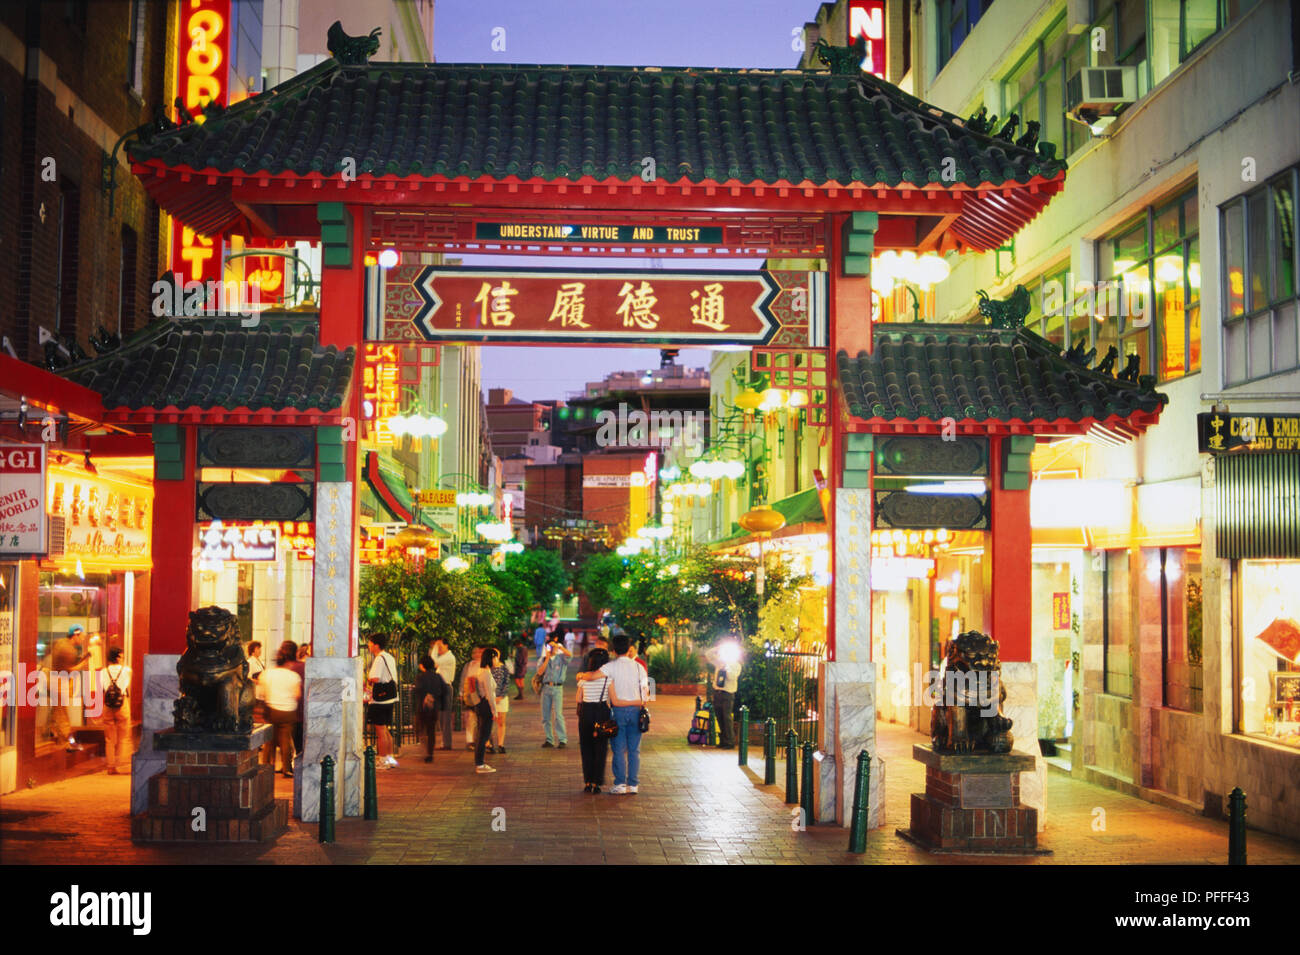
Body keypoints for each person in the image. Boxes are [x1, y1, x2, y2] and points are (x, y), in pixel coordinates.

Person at [576, 633, 648, 794]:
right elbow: (647, 693)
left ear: (613, 650)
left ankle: (621, 784)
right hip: (636, 711)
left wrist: (580, 675)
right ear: (630, 649)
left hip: (618, 712)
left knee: (618, 749)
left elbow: (592, 676)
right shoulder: (639, 667)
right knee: (634, 749)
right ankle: (633, 784)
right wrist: (638, 702)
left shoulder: (610, 667)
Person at [259, 643, 302, 776]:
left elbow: (262, 693)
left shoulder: (266, 674)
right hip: (288, 712)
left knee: (269, 741)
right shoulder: (293, 676)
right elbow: (297, 695)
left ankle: (266, 766)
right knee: (286, 741)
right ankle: (287, 768)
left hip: (271, 711)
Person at [577, 647, 612, 793]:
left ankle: (588, 782)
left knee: (586, 748)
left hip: (586, 712)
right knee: (600, 747)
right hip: (602, 712)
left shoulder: (584, 678)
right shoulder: (607, 679)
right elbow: (611, 698)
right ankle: (597, 783)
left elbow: (578, 698)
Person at [366, 634, 400, 769]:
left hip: (380, 699)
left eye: (370, 643)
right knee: (385, 729)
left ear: (376, 645)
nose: (368, 645)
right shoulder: (389, 657)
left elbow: (374, 677)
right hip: (390, 697)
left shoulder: (379, 659)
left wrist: (368, 679)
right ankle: (390, 758)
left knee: (380, 731)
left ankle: (382, 760)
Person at [98, 647, 132, 774]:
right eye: (121, 656)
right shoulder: (127, 670)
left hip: (107, 705)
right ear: (118, 657)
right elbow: (126, 685)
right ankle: (121, 764)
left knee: (109, 738)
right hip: (122, 704)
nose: (122, 659)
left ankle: (110, 766)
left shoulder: (103, 672)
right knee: (123, 736)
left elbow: (103, 687)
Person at [537, 630, 572, 749]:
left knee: (558, 714)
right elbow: (540, 672)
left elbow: (570, 655)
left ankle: (562, 739)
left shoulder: (561, 658)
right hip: (546, 687)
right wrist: (547, 658)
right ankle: (549, 739)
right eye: (549, 646)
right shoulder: (543, 659)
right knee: (545, 716)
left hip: (557, 688)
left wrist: (560, 647)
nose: (552, 648)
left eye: (553, 647)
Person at [705, 641, 743, 749]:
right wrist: (718, 648)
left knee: (727, 717)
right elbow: (708, 655)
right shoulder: (719, 662)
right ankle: (722, 740)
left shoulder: (736, 665)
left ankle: (730, 742)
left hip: (728, 693)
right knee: (719, 716)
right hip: (718, 692)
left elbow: (732, 677)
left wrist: (727, 666)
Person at [469, 648, 500, 773]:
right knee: (483, 735)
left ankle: (480, 763)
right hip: (486, 705)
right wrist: (494, 710)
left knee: (482, 735)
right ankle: (480, 764)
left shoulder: (483, 671)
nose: (497, 660)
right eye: (496, 657)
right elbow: (489, 694)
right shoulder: (485, 673)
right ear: (491, 658)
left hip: (482, 705)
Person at [414, 655, 446, 763]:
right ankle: (430, 752)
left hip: (422, 707)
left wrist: (425, 697)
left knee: (421, 729)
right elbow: (444, 690)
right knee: (431, 730)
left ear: (422, 666)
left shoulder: (420, 677)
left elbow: (417, 690)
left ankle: (425, 750)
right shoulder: (438, 676)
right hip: (434, 707)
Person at [431, 638, 456, 749]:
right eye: (437, 647)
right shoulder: (444, 658)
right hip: (441, 688)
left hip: (445, 687)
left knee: (445, 717)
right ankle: (445, 742)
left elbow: (433, 661)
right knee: (441, 716)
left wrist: (435, 647)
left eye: (440, 646)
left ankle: (447, 743)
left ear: (447, 646)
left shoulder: (449, 657)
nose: (438, 649)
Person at [460, 647, 483, 751]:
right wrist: (461, 692)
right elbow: (463, 678)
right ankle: (470, 741)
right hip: (470, 694)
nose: (477, 654)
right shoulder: (468, 665)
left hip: (480, 694)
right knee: (470, 718)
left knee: (480, 719)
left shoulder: (484, 665)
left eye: (479, 652)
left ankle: (480, 739)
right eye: (474, 652)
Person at [490, 650, 511, 753]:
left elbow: (507, 683)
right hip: (490, 698)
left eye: (496, 654)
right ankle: (488, 744)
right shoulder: (486, 668)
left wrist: (501, 696)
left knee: (501, 721)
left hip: (501, 699)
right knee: (489, 722)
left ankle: (500, 744)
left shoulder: (504, 668)